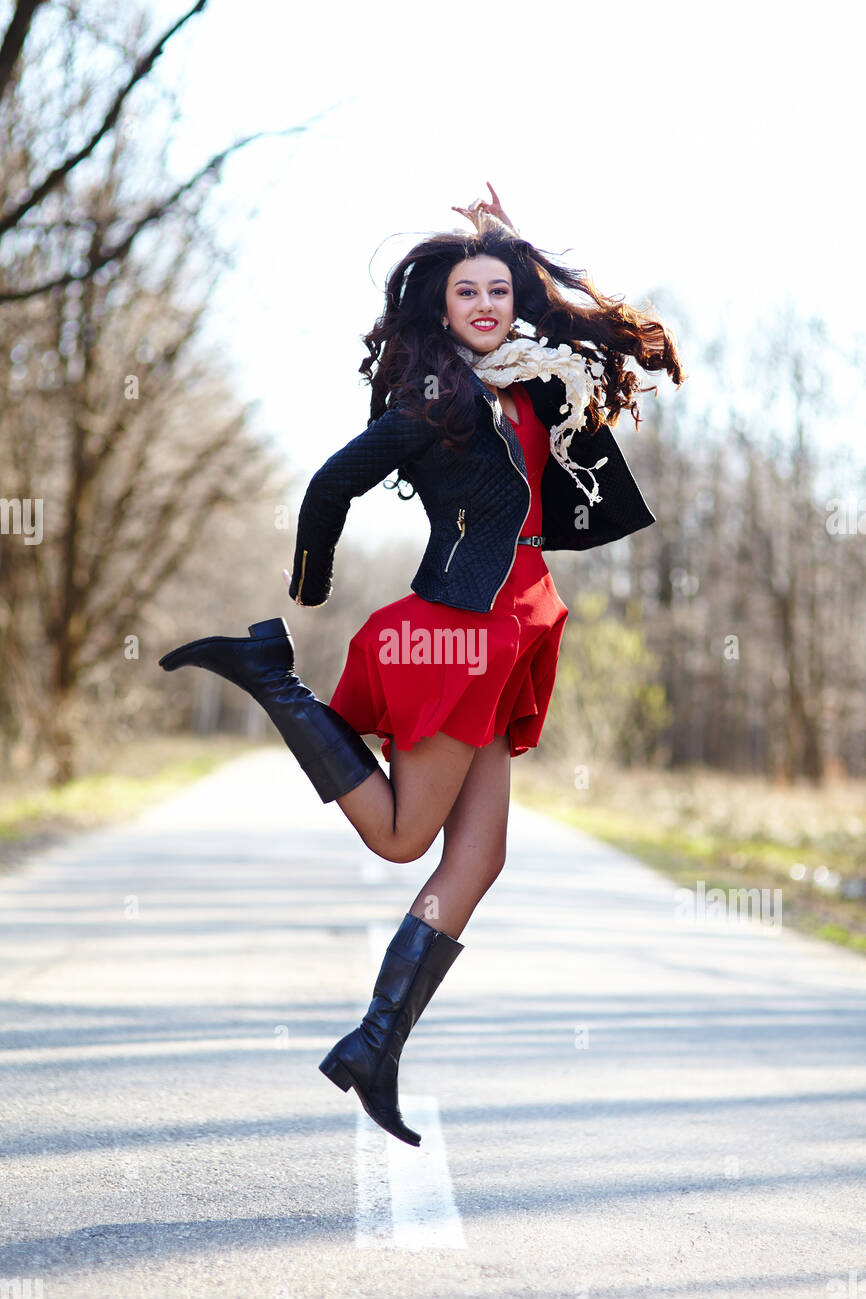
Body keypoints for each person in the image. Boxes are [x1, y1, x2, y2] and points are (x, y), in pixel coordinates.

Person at [158, 183, 686, 1147]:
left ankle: (372, 1051)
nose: (484, 305)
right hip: (457, 628)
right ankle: (269, 673)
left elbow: (577, 341)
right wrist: (311, 579)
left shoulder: (539, 377)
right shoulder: (434, 402)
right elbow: (331, 481)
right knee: (405, 842)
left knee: (477, 859)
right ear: (439, 313)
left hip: (516, 620)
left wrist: (504, 236)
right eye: (465, 295)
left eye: (496, 291)